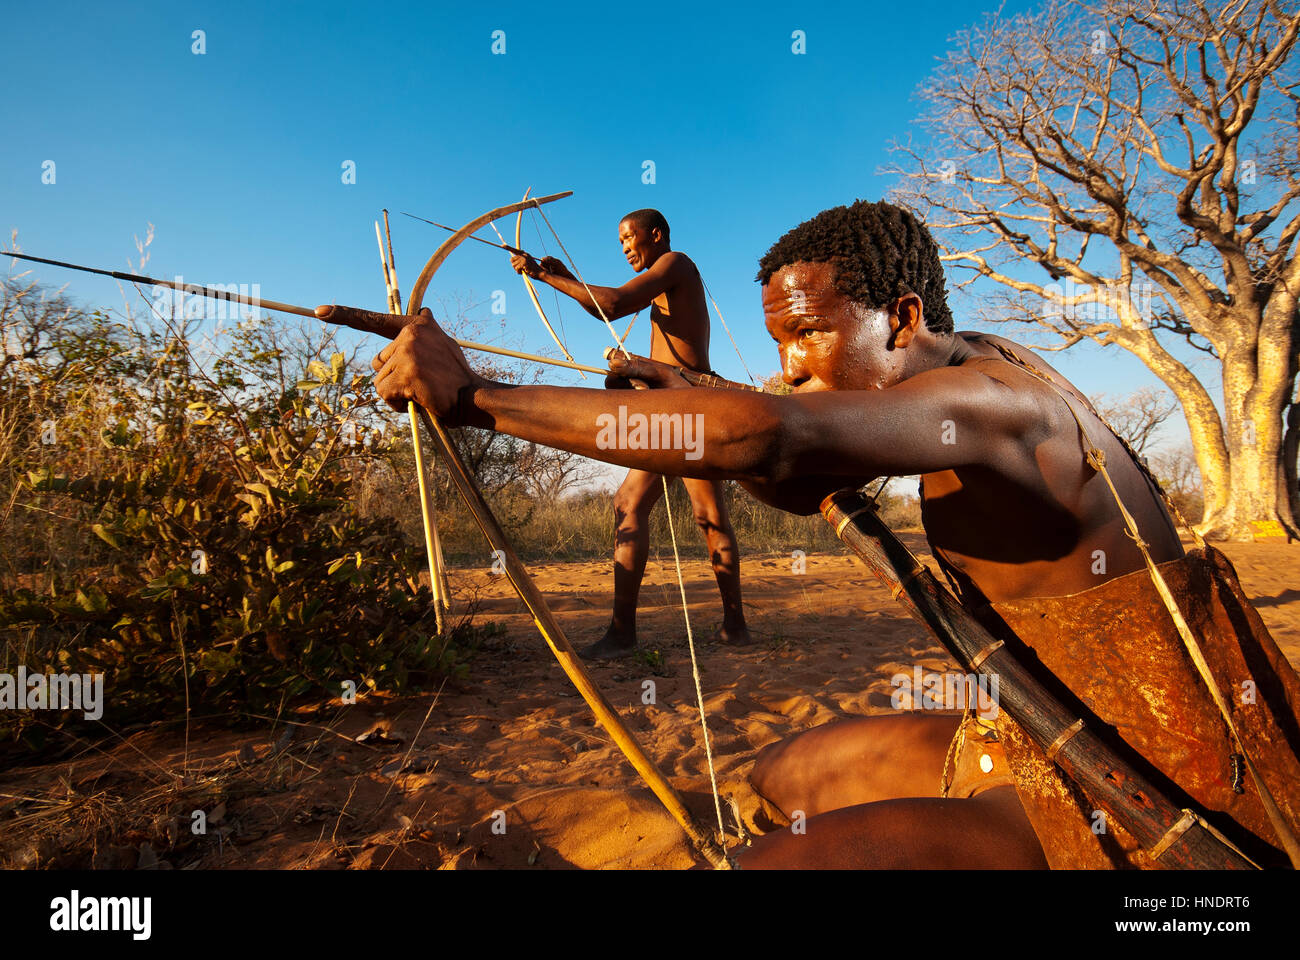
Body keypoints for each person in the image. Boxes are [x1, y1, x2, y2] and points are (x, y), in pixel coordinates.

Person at [326, 198, 1300, 868]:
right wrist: (705, 399)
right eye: (780, 342)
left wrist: (477, 397)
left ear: (901, 315)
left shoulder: (987, 400)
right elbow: (794, 468)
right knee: (785, 772)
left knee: (782, 860)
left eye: (806, 336)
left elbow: (774, 442)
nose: (790, 365)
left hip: (1151, 794)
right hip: (1051, 733)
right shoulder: (959, 374)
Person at [508, 209, 751, 658]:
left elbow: (614, 305)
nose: (624, 248)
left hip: (681, 406)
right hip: (684, 407)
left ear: (655, 235)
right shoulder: (665, 281)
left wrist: (545, 277)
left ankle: (624, 634)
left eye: (628, 238)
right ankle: (734, 627)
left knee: (633, 503)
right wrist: (565, 277)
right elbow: (609, 305)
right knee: (708, 515)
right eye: (619, 241)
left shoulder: (676, 262)